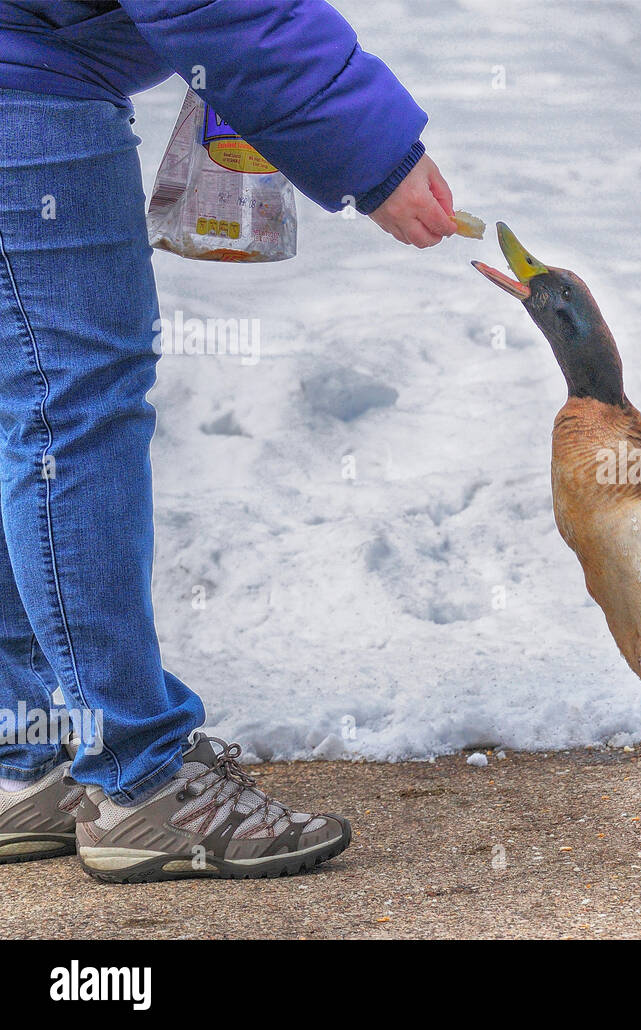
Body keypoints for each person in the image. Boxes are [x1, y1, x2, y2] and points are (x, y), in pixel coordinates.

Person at [0, 0, 453, 881]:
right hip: (27, 85)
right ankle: (140, 783)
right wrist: (376, 152)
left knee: (32, 403)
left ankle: (31, 748)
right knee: (72, 408)